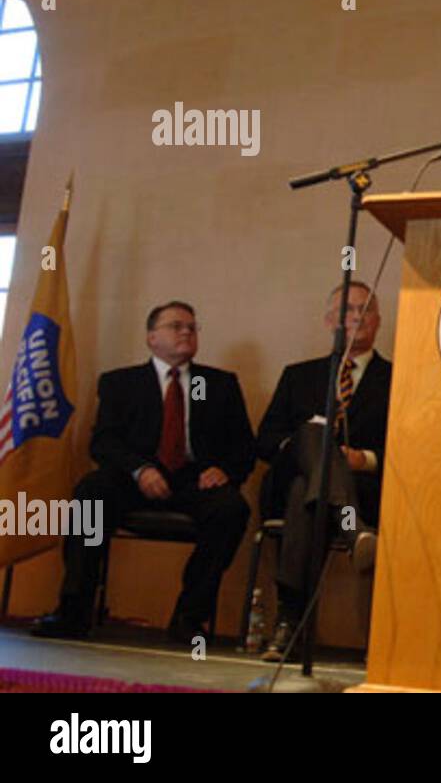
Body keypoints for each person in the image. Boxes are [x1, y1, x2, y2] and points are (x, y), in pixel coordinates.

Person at [32, 301, 255, 643]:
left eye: (192, 327)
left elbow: (243, 447)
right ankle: (73, 611)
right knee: (90, 493)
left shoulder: (219, 384)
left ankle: (189, 619)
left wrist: (223, 470)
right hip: (132, 479)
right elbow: (103, 442)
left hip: (194, 481)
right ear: (152, 337)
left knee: (231, 509)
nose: (186, 332)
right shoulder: (121, 382)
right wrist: (140, 469)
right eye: (176, 326)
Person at [254, 282, 392, 662]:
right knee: (313, 434)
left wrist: (362, 459)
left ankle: (287, 622)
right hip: (294, 478)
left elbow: (407, 448)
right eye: (347, 311)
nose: (356, 317)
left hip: (362, 488)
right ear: (329, 321)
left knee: (306, 494)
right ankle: (353, 531)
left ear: (378, 322)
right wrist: (308, 447)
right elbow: (265, 440)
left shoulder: (399, 379)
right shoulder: (298, 375)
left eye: (365, 310)